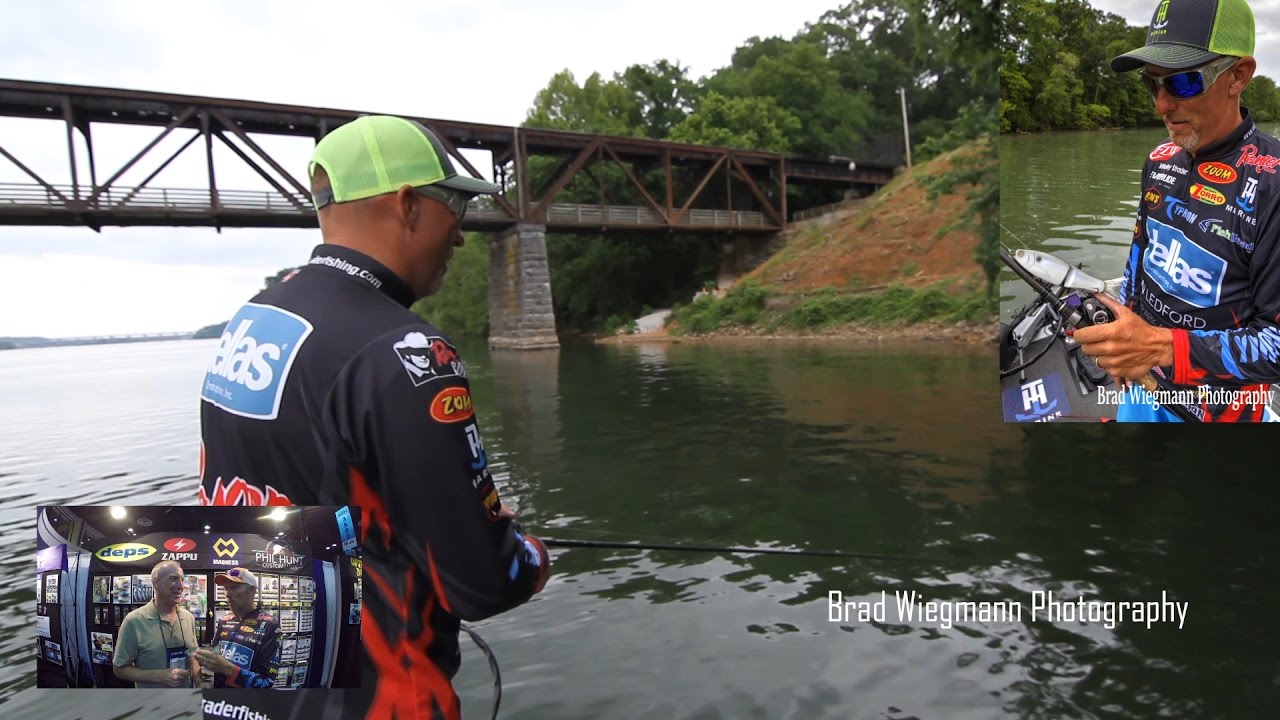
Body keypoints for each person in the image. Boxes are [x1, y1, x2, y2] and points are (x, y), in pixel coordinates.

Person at [197, 115, 551, 718]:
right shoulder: (404, 352)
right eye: (456, 208)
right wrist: (521, 551)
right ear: (409, 205)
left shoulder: (253, 320)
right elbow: (482, 581)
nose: (462, 235)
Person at [1074, 0, 1280, 422]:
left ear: (1238, 76)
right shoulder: (1159, 160)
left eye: (1183, 83)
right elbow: (1139, 261)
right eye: (1153, 85)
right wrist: (1127, 344)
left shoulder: (1273, 183)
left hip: (1223, 410)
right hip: (1143, 385)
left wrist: (1161, 346)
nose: (1162, 106)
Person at [112, 559, 202, 688]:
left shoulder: (188, 618)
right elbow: (119, 669)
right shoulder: (134, 621)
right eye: (174, 579)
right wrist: (159, 676)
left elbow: (193, 656)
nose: (181, 586)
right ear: (156, 582)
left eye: (182, 580)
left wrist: (199, 682)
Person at [192, 567, 280, 689]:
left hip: (246, 704)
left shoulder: (270, 625)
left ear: (251, 590)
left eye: (234, 587)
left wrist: (228, 669)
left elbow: (266, 682)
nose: (227, 594)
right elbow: (216, 658)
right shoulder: (224, 620)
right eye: (226, 588)